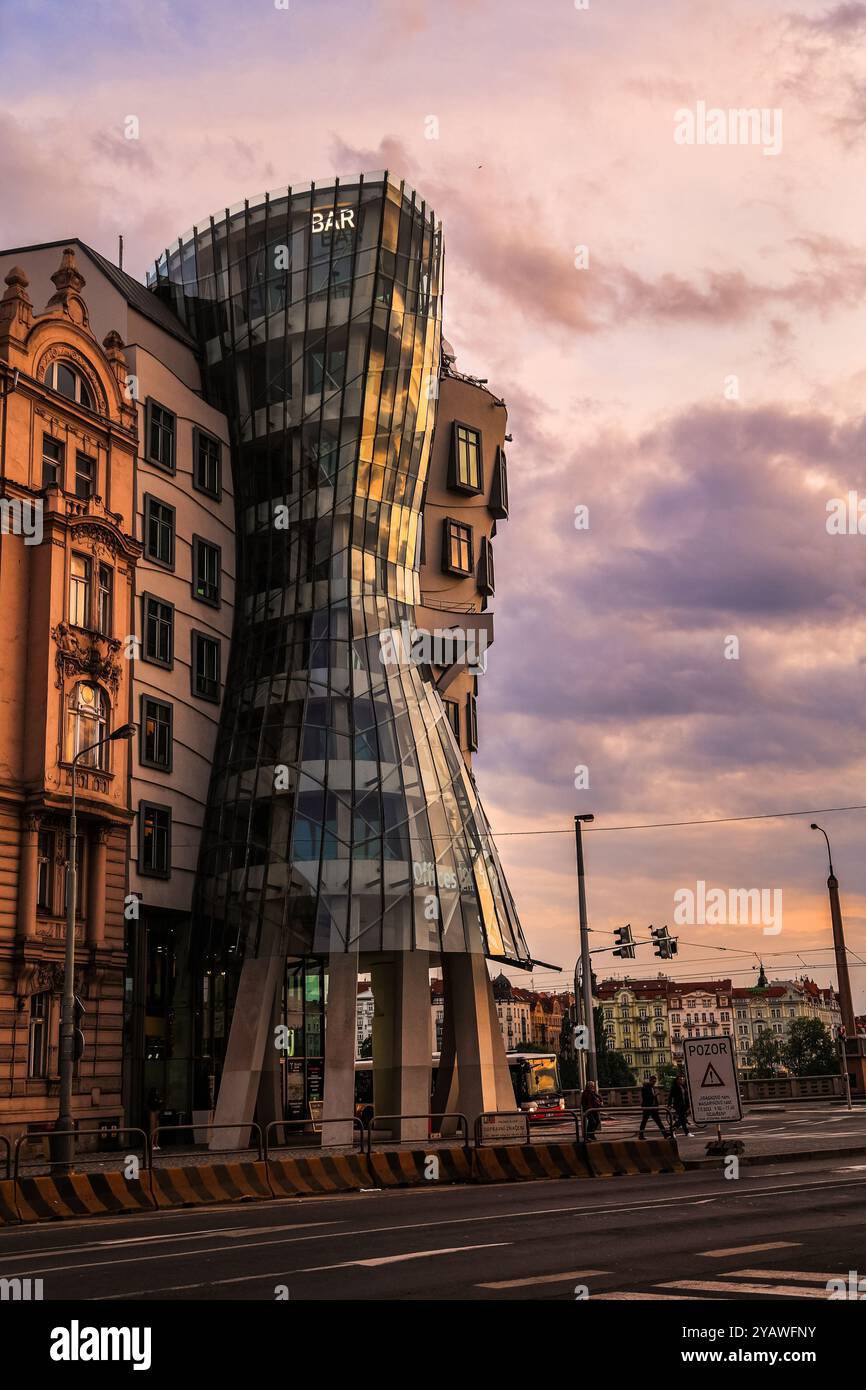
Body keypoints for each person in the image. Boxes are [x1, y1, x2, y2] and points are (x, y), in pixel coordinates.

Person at [668, 1070, 691, 1136]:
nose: (682, 1080)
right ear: (677, 1080)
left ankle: (673, 1130)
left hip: (685, 1105)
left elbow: (687, 1095)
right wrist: (669, 1105)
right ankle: (686, 1132)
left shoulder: (684, 1086)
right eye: (680, 1079)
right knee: (682, 1118)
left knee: (682, 1119)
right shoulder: (674, 1087)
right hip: (678, 1105)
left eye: (683, 1079)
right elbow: (670, 1096)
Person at [146, 1087, 162, 1152]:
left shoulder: (157, 1098)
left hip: (157, 1113)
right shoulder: (151, 1099)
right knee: (152, 1129)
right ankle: (151, 1144)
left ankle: (155, 1143)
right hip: (153, 1112)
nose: (157, 1092)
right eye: (156, 1091)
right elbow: (152, 1104)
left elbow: (160, 1103)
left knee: (157, 1129)